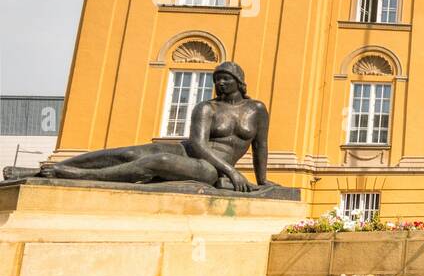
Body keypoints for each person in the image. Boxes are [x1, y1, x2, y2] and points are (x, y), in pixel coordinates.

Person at [36, 61, 272, 191]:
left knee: (159, 163)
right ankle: (39, 173)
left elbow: (260, 148)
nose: (220, 83)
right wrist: (233, 172)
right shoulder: (207, 107)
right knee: (128, 153)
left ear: (239, 82)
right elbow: (198, 144)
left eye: (226, 79)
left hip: (210, 169)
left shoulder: (256, 109)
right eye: (216, 79)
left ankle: (77, 175)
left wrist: (262, 182)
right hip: (189, 152)